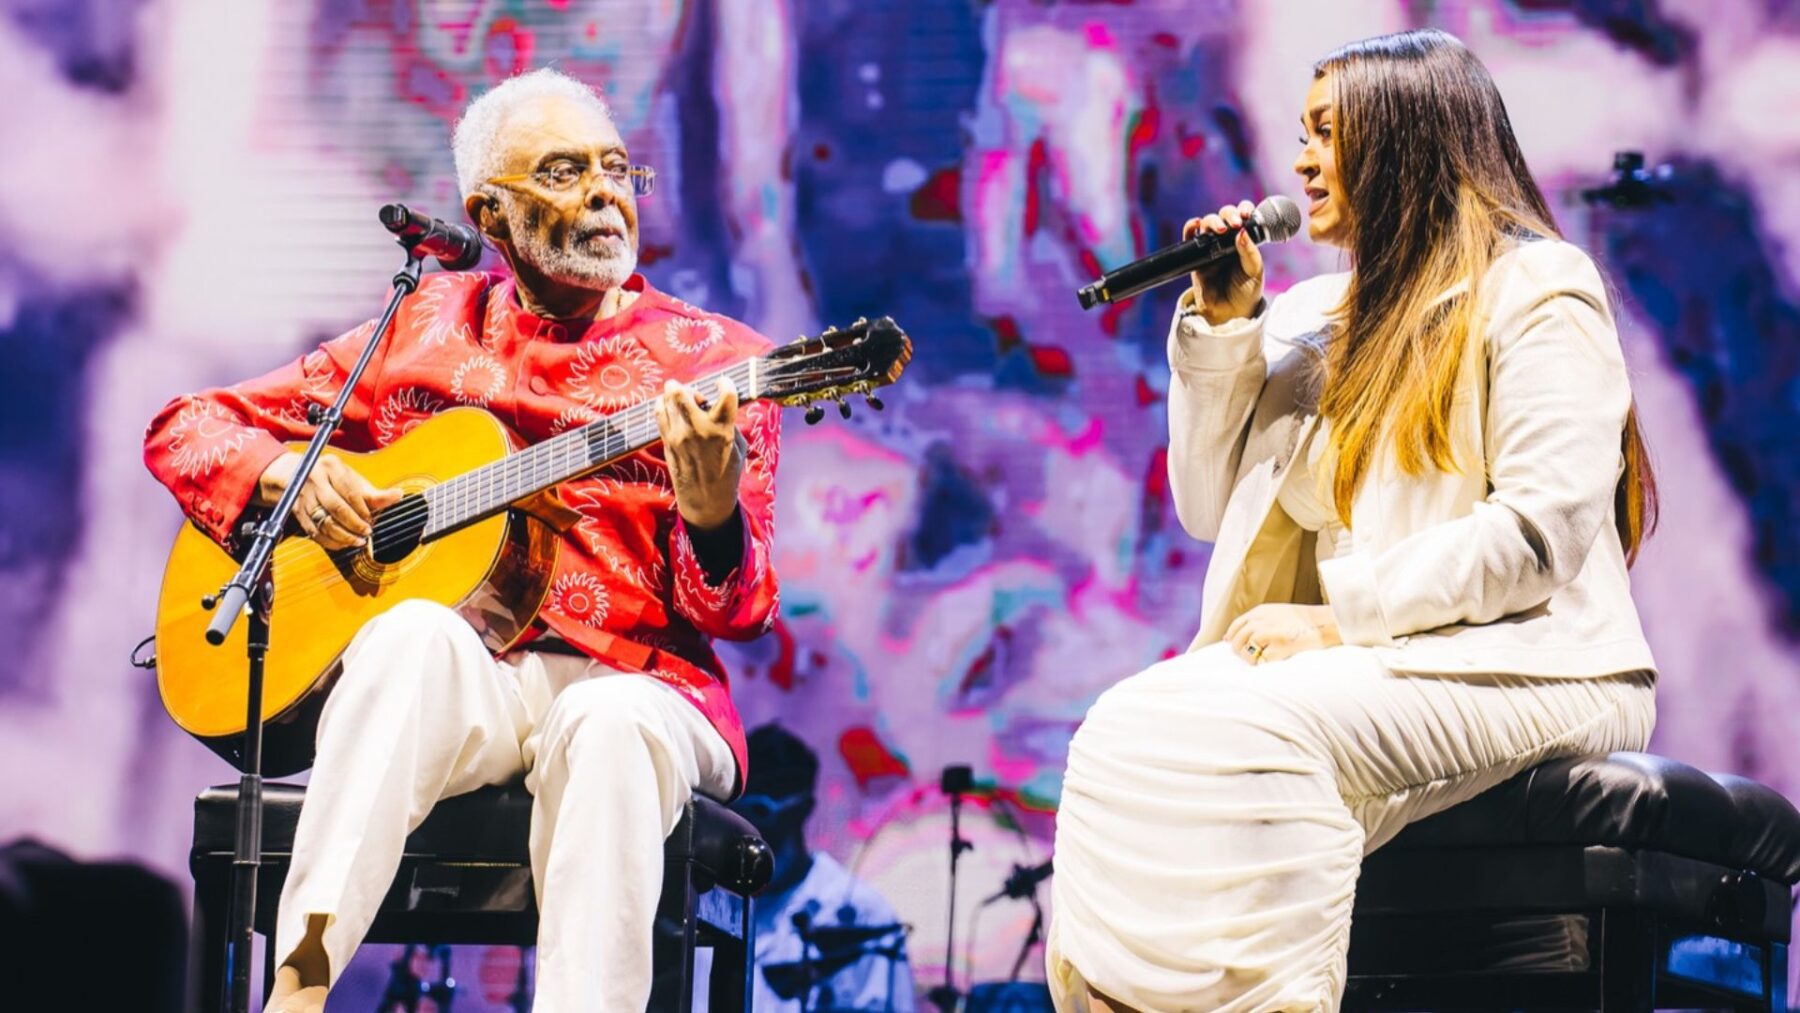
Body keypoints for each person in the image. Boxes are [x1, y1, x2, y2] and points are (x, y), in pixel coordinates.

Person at [142, 68, 782, 1013]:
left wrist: (712, 510)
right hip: (474, 679)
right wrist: (286, 473)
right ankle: (297, 989)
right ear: (492, 214)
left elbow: (736, 610)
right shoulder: (422, 328)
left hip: (643, 682)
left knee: (605, 727)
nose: (606, 191)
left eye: (616, 169)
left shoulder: (718, 364)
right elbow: (186, 426)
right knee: (405, 638)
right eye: (565, 172)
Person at [1046, 28, 1659, 1012]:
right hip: (1361, 655)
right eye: (1301, 134)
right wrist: (1226, 330)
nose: (1298, 161)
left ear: (1408, 138)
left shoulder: (1541, 288)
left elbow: (1541, 533)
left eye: (1327, 132)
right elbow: (1207, 508)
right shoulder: (1307, 315)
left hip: (1531, 659)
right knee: (1124, 722)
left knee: (1261, 734)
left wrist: (1342, 618)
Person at [730, 724, 913, 1012]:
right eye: (739, 815)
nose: (754, 832)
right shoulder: (719, 905)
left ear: (804, 808)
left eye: (761, 813)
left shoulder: (858, 913)